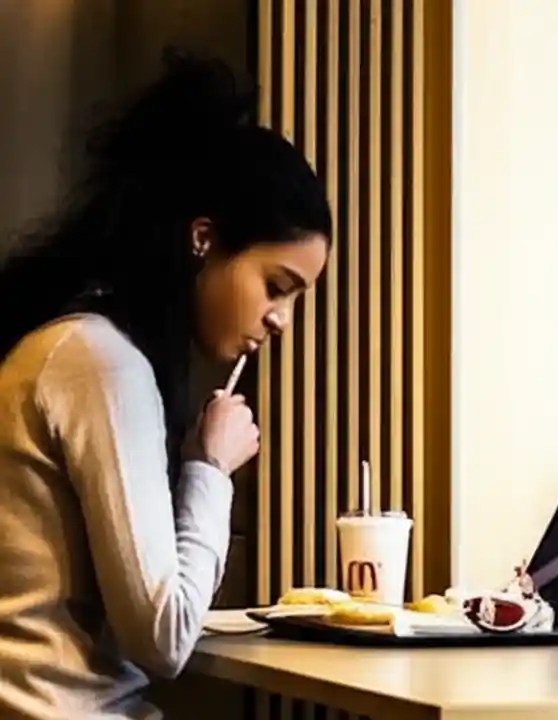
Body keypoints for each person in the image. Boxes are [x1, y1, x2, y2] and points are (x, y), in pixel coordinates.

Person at [0, 50, 332, 719]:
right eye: (277, 287)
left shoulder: (69, 341)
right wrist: (210, 468)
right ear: (204, 238)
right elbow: (163, 637)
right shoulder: (99, 362)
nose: (282, 320)